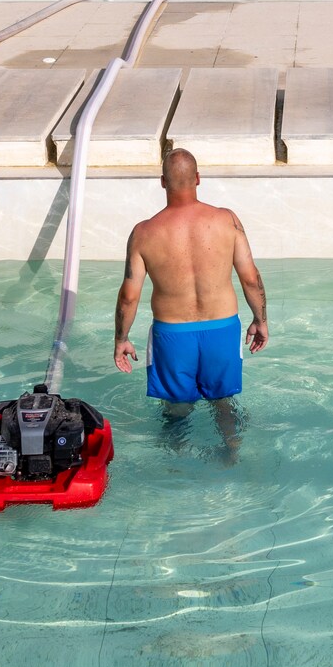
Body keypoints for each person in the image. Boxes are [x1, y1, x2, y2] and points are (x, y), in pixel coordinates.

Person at [114, 148, 268, 450]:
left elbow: (129, 296)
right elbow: (250, 277)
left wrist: (121, 339)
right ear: (198, 178)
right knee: (224, 403)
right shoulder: (227, 220)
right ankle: (231, 453)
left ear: (162, 182)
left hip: (172, 333)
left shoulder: (144, 233)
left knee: (176, 411)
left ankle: (176, 469)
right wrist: (260, 320)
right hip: (222, 328)